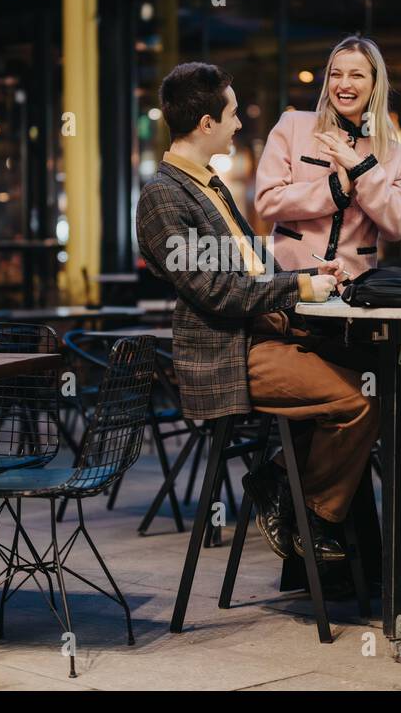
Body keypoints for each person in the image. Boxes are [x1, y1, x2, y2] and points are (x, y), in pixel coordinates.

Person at [136, 62, 379, 562]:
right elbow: (217, 292)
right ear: (205, 124)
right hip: (229, 352)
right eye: (230, 114)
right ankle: (313, 515)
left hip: (266, 334)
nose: (239, 124)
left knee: (382, 377)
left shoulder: (209, 185)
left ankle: (279, 480)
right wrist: (301, 287)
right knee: (360, 401)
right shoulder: (162, 198)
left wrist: (311, 274)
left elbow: (249, 265)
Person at [256, 36, 401, 280]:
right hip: (290, 282)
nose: (344, 84)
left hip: (353, 289)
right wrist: (334, 189)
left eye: (357, 75)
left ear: (375, 84)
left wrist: (363, 171)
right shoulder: (293, 126)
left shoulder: (394, 154)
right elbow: (267, 202)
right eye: (336, 74)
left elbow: (398, 226)